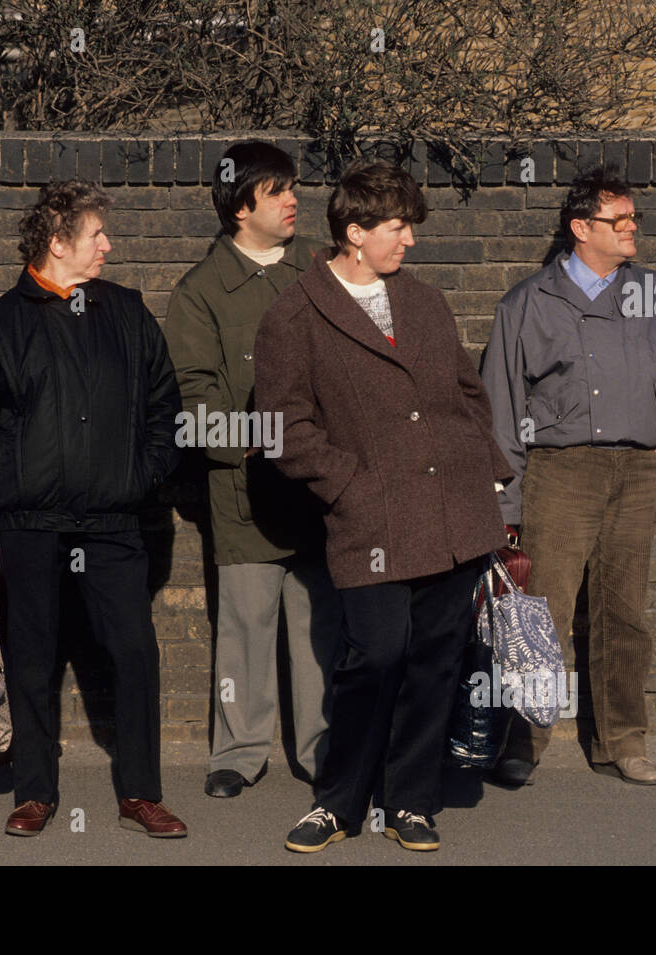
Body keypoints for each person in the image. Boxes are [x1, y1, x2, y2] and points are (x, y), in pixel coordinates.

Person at [254, 159, 514, 853]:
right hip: (369, 519)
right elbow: (283, 428)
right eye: (397, 228)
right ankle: (339, 801)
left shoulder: (424, 301)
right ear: (353, 230)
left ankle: (411, 801)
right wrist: (351, 486)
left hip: (455, 510)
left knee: (436, 658)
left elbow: (467, 390)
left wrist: (487, 470)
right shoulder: (294, 315)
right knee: (376, 653)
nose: (409, 241)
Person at [0, 179, 188, 838]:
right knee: (32, 657)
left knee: (134, 651)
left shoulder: (128, 313)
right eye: (96, 236)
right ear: (57, 244)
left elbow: (166, 408)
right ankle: (34, 791)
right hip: (28, 526)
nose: (108, 246)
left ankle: (140, 790)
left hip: (114, 523)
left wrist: (142, 476)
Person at [479, 165, 656, 787]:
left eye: (634, 217)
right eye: (620, 219)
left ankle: (622, 741)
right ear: (581, 227)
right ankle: (522, 740)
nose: (632, 228)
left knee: (623, 612)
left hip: (638, 472)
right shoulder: (527, 304)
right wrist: (506, 505)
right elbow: (501, 408)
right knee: (542, 611)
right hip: (560, 471)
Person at [163, 141, 340, 799]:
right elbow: (193, 398)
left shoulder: (321, 274)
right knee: (243, 627)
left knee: (323, 628)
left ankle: (324, 748)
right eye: (278, 190)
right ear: (242, 206)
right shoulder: (200, 292)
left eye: (294, 187)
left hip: (319, 489)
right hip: (243, 491)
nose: (295, 199)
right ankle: (237, 751)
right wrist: (265, 439)